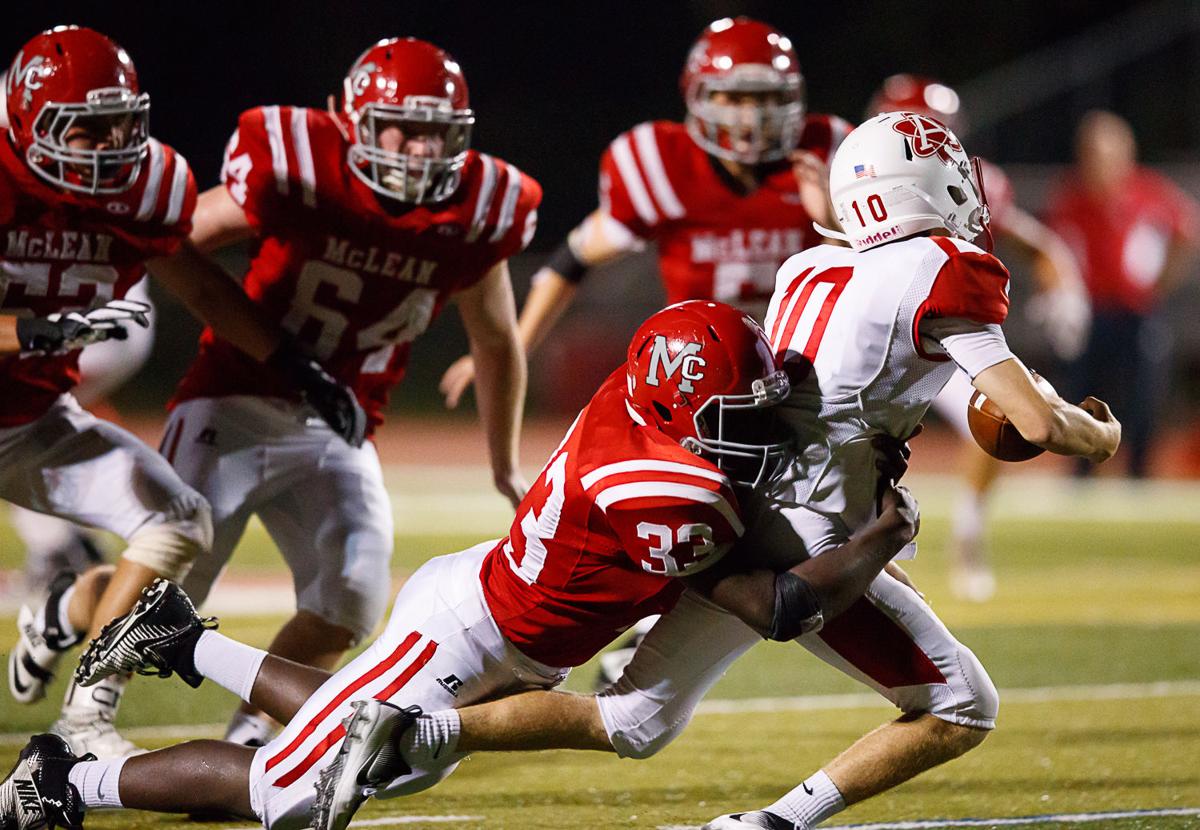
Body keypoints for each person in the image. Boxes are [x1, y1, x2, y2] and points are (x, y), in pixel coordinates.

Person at [313, 112, 1122, 830]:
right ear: (929, 188)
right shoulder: (947, 269)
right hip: (805, 542)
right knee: (962, 706)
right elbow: (1033, 421)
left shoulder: (811, 267)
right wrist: (1097, 437)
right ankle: (776, 824)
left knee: (636, 721)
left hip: (731, 514)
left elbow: (831, 386)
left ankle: (412, 728)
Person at [0, 300, 921, 830]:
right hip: (470, 634)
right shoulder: (663, 488)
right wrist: (881, 532)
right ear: (681, 415)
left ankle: (183, 643)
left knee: (360, 735)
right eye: (737, 418)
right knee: (288, 791)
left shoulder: (645, 408)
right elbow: (778, 605)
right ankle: (68, 781)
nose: (752, 435)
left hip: (500, 627)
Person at [153, 36, 538, 748]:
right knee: (163, 584)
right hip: (233, 398)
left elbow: (495, 339)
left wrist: (503, 463)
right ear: (349, 119)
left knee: (351, 598)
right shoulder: (303, 170)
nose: (422, 151)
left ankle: (252, 737)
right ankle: (76, 691)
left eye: (437, 134)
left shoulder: (473, 212)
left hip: (341, 424)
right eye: (405, 129)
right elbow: (174, 240)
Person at [445, 15, 852, 685]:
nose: (751, 117)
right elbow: (574, 258)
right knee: (663, 521)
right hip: (695, 390)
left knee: (800, 522)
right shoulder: (664, 168)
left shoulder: (824, 162)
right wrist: (511, 343)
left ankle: (652, 650)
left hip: (794, 381)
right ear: (698, 97)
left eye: (767, 98)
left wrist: (828, 217)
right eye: (735, 97)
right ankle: (579, 636)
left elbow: (876, 266)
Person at [3, 25, 363, 759]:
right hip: (28, 388)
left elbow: (195, 279)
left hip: (28, 421)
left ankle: (83, 722)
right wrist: (39, 330)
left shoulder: (147, 186)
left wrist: (291, 361)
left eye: (118, 126)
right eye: (86, 128)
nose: (107, 146)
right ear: (25, 123)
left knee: (178, 518)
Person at [865, 74, 1092, 601]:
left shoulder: (972, 178)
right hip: (877, 332)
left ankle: (967, 534)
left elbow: (1033, 240)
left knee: (1004, 417)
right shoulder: (856, 176)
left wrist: (1067, 287)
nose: (932, 147)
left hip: (946, 331)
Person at [1045, 110, 1199, 478]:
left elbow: (1185, 229)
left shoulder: (1146, 190)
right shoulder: (1073, 195)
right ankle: (1081, 477)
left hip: (1136, 311)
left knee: (1145, 395)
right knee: (1081, 397)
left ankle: (1138, 475)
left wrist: (1160, 283)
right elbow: (1052, 249)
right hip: (1091, 311)